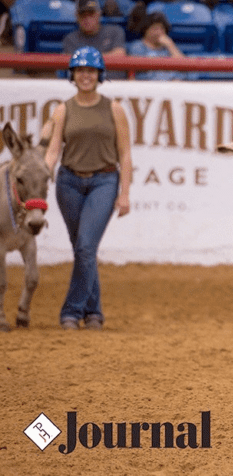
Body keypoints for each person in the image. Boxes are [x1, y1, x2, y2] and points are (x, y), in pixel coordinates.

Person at [44, 46, 133, 331]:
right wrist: (40, 179)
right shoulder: (62, 110)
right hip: (68, 182)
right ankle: (94, 312)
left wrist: (125, 193)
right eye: (80, 70)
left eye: (90, 70)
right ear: (73, 74)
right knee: (84, 250)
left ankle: (70, 311)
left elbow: (125, 154)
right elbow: (53, 151)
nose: (85, 75)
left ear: (99, 74)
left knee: (84, 247)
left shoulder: (114, 109)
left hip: (104, 181)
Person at [63, 0, 127, 80]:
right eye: (83, 15)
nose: (87, 19)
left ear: (99, 14)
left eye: (91, 14)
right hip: (85, 85)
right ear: (76, 16)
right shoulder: (70, 39)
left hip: (115, 84)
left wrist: (84, 58)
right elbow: (72, 64)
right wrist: (105, 57)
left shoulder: (115, 31)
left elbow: (119, 55)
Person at [127, 10, 185, 81]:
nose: (159, 32)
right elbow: (135, 71)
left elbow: (183, 66)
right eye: (155, 29)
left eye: (162, 28)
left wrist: (170, 45)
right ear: (146, 30)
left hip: (171, 87)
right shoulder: (138, 46)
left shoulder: (168, 47)